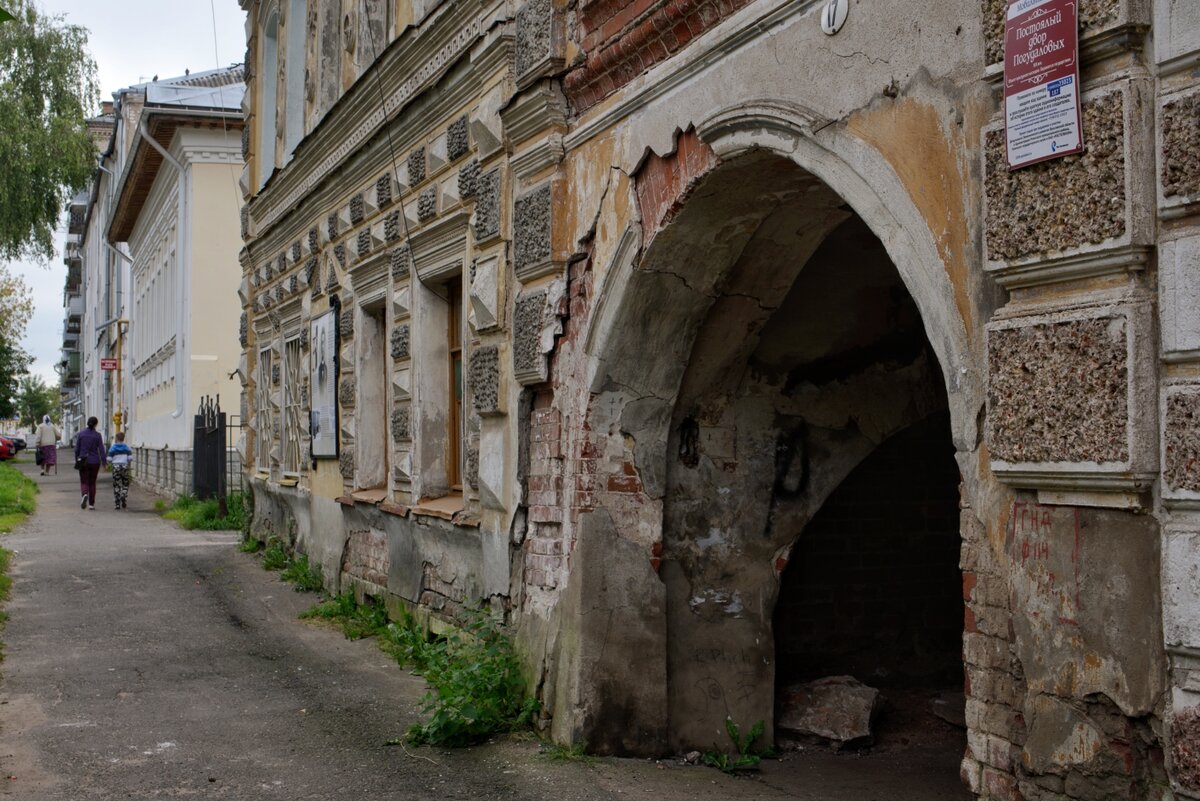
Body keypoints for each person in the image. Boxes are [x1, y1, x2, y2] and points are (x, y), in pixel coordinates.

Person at [74, 417, 106, 510]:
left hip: (83, 460)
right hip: (95, 461)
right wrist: (104, 462)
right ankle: (91, 504)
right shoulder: (98, 435)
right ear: (96, 424)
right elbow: (101, 449)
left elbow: (76, 450)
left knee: (84, 481)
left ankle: (84, 494)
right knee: (92, 482)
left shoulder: (81, 434)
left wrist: (77, 460)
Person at [108, 432, 132, 510]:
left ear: (116, 438)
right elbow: (130, 458)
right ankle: (124, 494)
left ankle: (117, 504)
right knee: (126, 482)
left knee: (116, 484)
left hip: (116, 467)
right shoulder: (127, 447)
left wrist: (111, 462)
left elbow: (109, 459)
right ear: (123, 438)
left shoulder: (113, 448)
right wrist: (126, 461)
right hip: (124, 466)